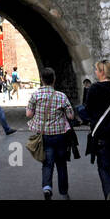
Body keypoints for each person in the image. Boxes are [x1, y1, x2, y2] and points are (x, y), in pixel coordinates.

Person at [81, 59, 110, 199]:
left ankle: (109, 191)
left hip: (102, 135)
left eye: (96, 70)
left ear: (102, 72)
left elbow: (88, 110)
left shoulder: (94, 89)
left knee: (104, 167)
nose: (95, 72)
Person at [25, 66, 74, 200]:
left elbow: (28, 114)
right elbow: (71, 116)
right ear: (54, 80)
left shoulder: (35, 95)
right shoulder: (61, 96)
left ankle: (47, 187)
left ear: (41, 79)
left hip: (44, 136)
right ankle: (64, 193)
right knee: (61, 165)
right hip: (60, 135)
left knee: (47, 163)